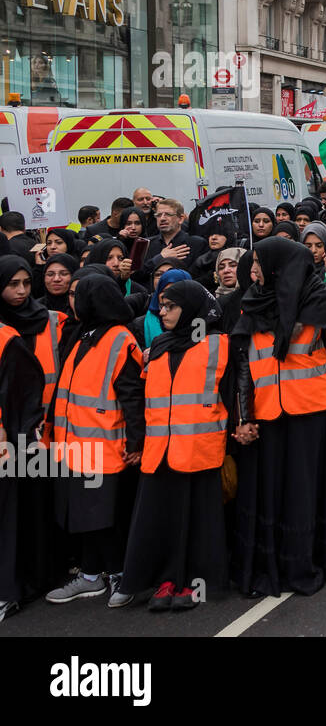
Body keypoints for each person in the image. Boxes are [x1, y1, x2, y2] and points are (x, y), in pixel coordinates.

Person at [229, 238, 326, 597]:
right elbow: (243, 366)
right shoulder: (251, 302)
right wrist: (245, 415)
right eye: (252, 264)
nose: (252, 271)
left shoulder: (320, 300)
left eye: (258, 264)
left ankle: (306, 563)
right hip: (267, 414)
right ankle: (272, 568)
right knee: (271, 493)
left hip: (309, 413)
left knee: (304, 493)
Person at [119, 281, 232, 611]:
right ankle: (166, 579)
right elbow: (143, 401)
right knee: (161, 520)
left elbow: (232, 395)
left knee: (197, 523)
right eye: (162, 306)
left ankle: (194, 583)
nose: (163, 312)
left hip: (199, 450)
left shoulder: (218, 345)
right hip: (159, 453)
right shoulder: (157, 346)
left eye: (171, 306)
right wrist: (137, 443)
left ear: (192, 309)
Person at [45, 274, 145, 609]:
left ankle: (118, 574)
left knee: (104, 519)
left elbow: (132, 397)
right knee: (86, 517)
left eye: (79, 294)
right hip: (77, 446)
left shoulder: (119, 338)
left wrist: (136, 443)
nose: (73, 300)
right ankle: (90, 576)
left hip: (105, 447)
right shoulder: (83, 333)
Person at [0, 259, 47, 622]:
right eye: (12, 284)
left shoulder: (9, 339)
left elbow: (21, 394)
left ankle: (10, 590)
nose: (20, 291)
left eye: (26, 283)